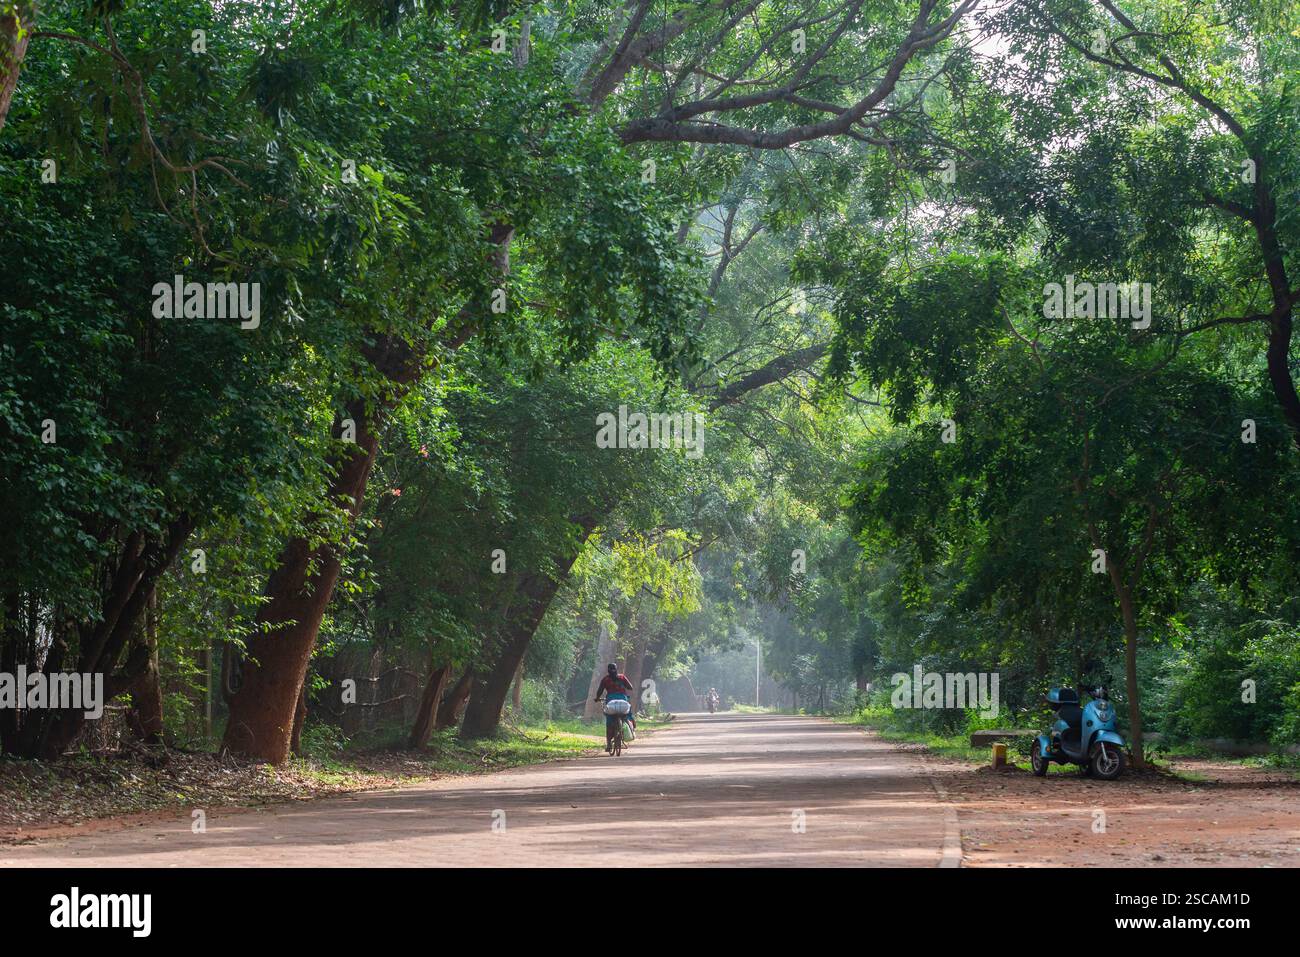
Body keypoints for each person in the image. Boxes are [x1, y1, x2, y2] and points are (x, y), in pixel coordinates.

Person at [594, 663, 635, 752]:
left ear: (607, 670)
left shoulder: (605, 679)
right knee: (627, 716)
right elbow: (630, 687)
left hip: (611, 702)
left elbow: (600, 691)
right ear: (617, 669)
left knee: (609, 723)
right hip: (623, 701)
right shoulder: (622, 677)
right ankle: (630, 727)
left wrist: (597, 698)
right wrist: (624, 686)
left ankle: (609, 744)